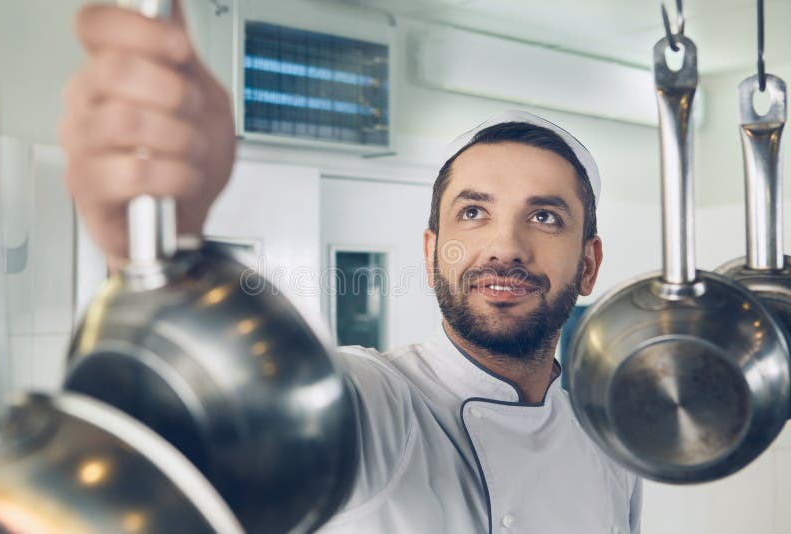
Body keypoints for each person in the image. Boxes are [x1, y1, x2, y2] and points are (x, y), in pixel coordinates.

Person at [60, 2, 641, 533]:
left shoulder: (612, 441)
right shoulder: (379, 406)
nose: (505, 246)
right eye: (473, 212)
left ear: (588, 266)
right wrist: (161, 251)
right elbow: (215, 433)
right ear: (431, 252)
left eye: (544, 217)